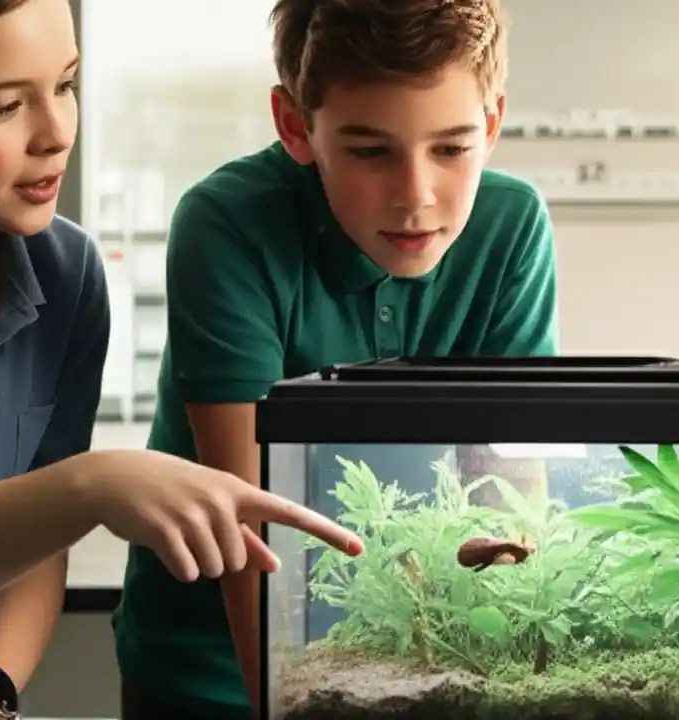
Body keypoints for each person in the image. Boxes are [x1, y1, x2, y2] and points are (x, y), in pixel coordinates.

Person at [0, 2, 361, 718]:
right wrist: (97, 484)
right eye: (3, 106)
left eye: (66, 85)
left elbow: (37, 545)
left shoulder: (65, 272)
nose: (56, 133)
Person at [109, 0, 559, 716]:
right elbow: (248, 521)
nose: (416, 197)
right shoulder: (227, 225)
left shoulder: (513, 227)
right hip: (214, 672)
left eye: (451, 149)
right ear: (295, 126)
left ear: (493, 122)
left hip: (421, 662)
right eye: (371, 152)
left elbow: (508, 483)